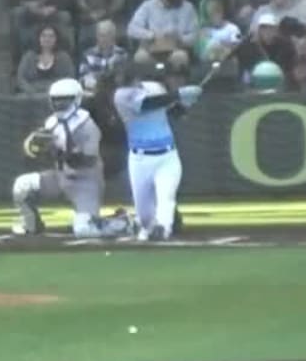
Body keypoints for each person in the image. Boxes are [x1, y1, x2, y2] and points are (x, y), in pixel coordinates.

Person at [12, 78, 134, 239]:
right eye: (57, 100)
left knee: (84, 230)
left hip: (85, 183)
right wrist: (35, 145)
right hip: (60, 176)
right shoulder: (52, 122)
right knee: (22, 185)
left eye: (65, 100)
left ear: (76, 99)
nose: (60, 105)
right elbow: (37, 143)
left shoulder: (87, 125)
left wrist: (56, 152)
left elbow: (87, 160)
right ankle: (31, 224)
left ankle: (122, 222)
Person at [112, 63, 202, 242]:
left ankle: (164, 227)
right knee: (145, 214)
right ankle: (147, 225)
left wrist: (184, 105)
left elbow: (173, 111)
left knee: (166, 198)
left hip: (167, 156)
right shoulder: (121, 95)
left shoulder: (154, 88)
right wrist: (178, 94)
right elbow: (149, 104)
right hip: (139, 160)